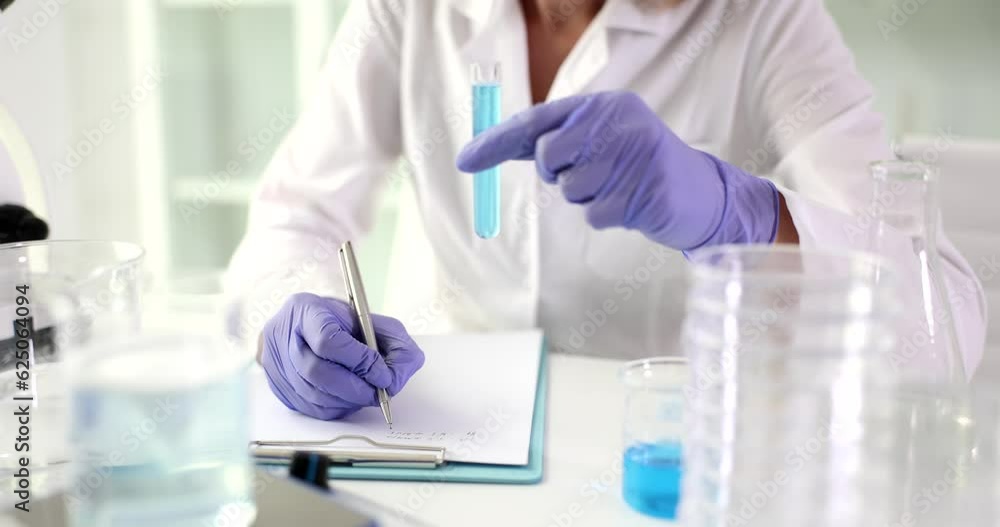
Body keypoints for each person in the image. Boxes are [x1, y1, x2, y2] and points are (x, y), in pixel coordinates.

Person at [225, 0, 986, 420]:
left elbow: (942, 334)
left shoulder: (768, 21)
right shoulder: (403, 11)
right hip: (441, 440)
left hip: (661, 458)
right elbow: (296, 218)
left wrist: (745, 217)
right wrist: (285, 316)